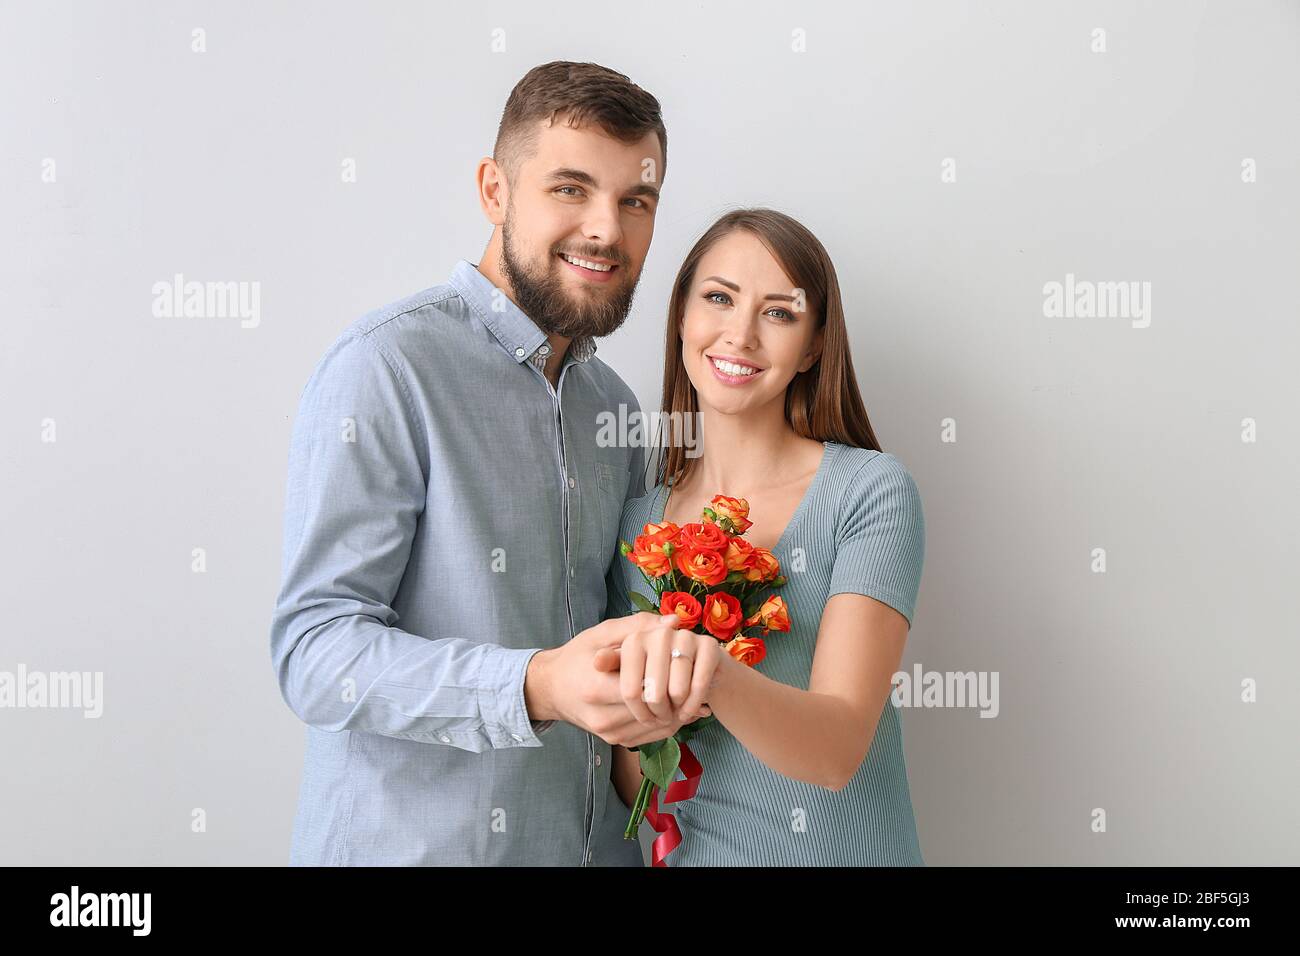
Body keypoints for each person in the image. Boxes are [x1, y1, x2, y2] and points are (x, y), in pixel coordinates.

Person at [269, 61, 697, 866]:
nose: (606, 228)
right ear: (495, 191)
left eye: (635, 200)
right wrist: (535, 684)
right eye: (570, 188)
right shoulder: (387, 368)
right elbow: (315, 654)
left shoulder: (613, 408)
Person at [603, 208, 927, 865]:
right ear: (683, 318)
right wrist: (650, 716)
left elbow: (836, 754)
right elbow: (634, 783)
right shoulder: (637, 526)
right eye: (718, 298)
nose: (740, 335)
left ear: (812, 345)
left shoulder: (870, 492)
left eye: (778, 313)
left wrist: (707, 672)